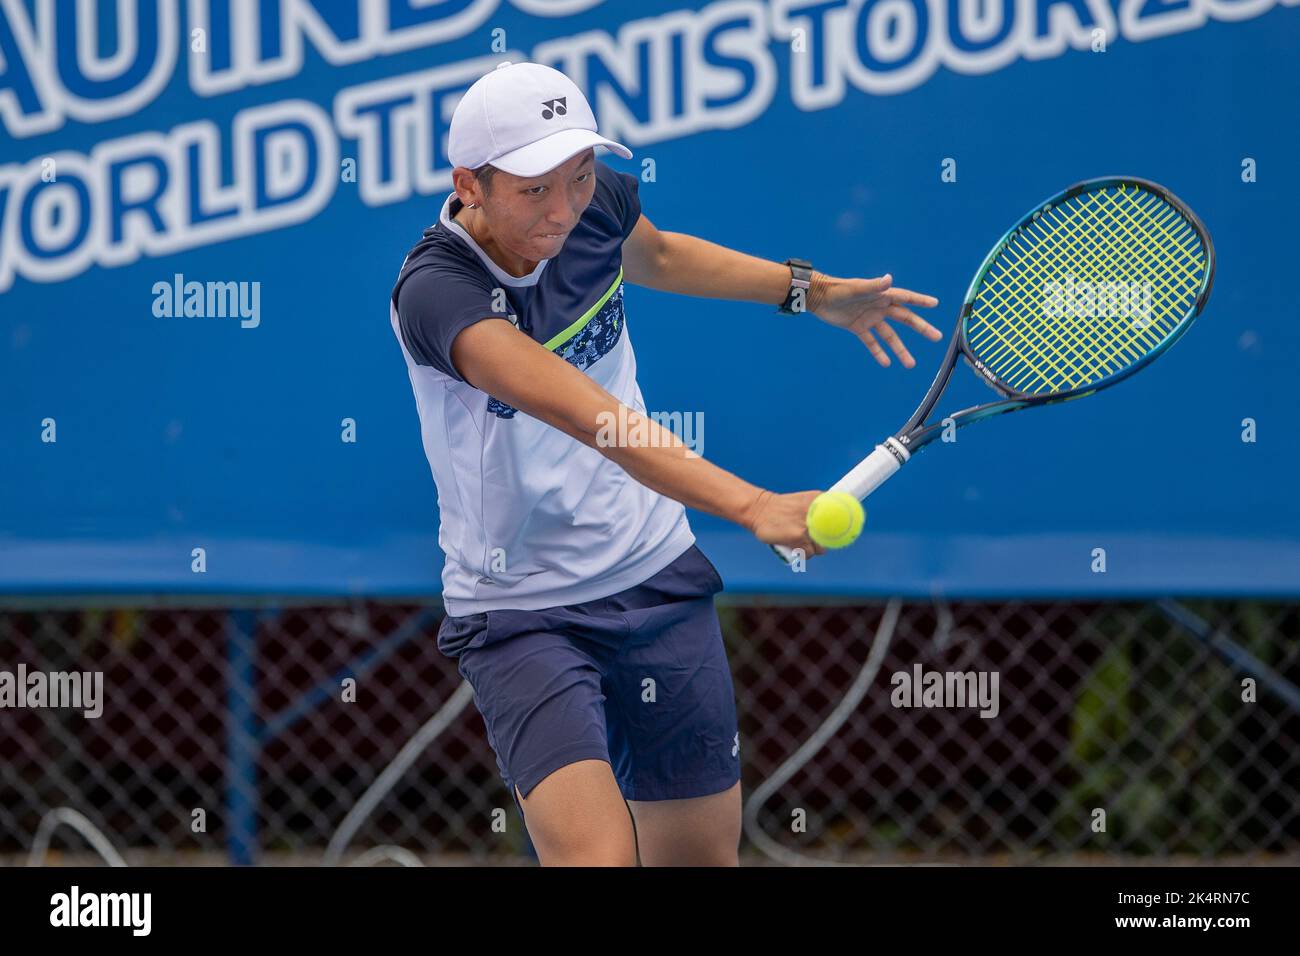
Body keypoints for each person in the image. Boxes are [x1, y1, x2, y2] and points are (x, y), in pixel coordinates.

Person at [389, 61, 940, 866]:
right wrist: (753, 507)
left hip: (652, 572)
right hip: (521, 609)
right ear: (470, 184)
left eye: (578, 177)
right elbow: (599, 422)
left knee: (698, 860)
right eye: (535, 189)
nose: (564, 207)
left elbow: (665, 257)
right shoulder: (437, 293)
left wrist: (806, 291)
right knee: (600, 859)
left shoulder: (595, 205)